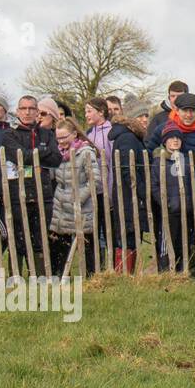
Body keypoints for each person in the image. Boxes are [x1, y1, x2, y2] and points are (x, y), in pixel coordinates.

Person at [1, 95, 62, 276]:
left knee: (41, 237)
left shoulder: (46, 133)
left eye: (32, 109)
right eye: (24, 108)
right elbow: (21, 156)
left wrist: (33, 154)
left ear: (37, 112)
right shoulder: (9, 134)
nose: (27, 112)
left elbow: (56, 159)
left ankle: (40, 276)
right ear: (18, 111)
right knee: (18, 237)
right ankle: (16, 276)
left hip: (43, 192)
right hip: (17, 193)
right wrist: (42, 152)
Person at [48, 118, 96, 276]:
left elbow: (95, 180)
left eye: (64, 137)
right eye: (58, 138)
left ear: (74, 134)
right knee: (60, 243)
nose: (60, 141)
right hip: (61, 204)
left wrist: (78, 198)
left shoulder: (86, 152)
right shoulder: (58, 153)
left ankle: (90, 276)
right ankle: (60, 276)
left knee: (85, 243)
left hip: (80, 206)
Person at [106, 110, 149, 273]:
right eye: (140, 116)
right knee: (127, 235)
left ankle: (127, 273)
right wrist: (143, 192)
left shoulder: (128, 136)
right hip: (129, 196)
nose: (144, 119)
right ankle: (124, 274)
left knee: (131, 235)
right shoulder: (127, 138)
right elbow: (128, 170)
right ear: (131, 119)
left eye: (146, 116)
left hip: (129, 195)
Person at [151, 122, 195, 274]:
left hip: (186, 209)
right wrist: (166, 203)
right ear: (165, 141)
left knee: (183, 241)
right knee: (167, 240)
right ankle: (166, 270)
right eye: (171, 138)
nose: (175, 140)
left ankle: (182, 270)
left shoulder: (185, 160)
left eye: (178, 138)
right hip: (170, 209)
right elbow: (155, 186)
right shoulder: (159, 162)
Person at [84, 97, 115, 267]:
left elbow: (112, 164)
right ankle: (96, 267)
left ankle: (110, 267)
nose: (86, 114)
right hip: (91, 192)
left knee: (108, 231)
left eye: (89, 110)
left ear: (101, 112)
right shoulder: (88, 133)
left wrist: (110, 193)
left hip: (106, 192)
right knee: (93, 231)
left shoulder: (111, 132)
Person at [145, 80, 191, 147]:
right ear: (169, 97)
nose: (175, 99)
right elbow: (149, 143)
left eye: (179, 96)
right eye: (172, 96)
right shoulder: (159, 119)